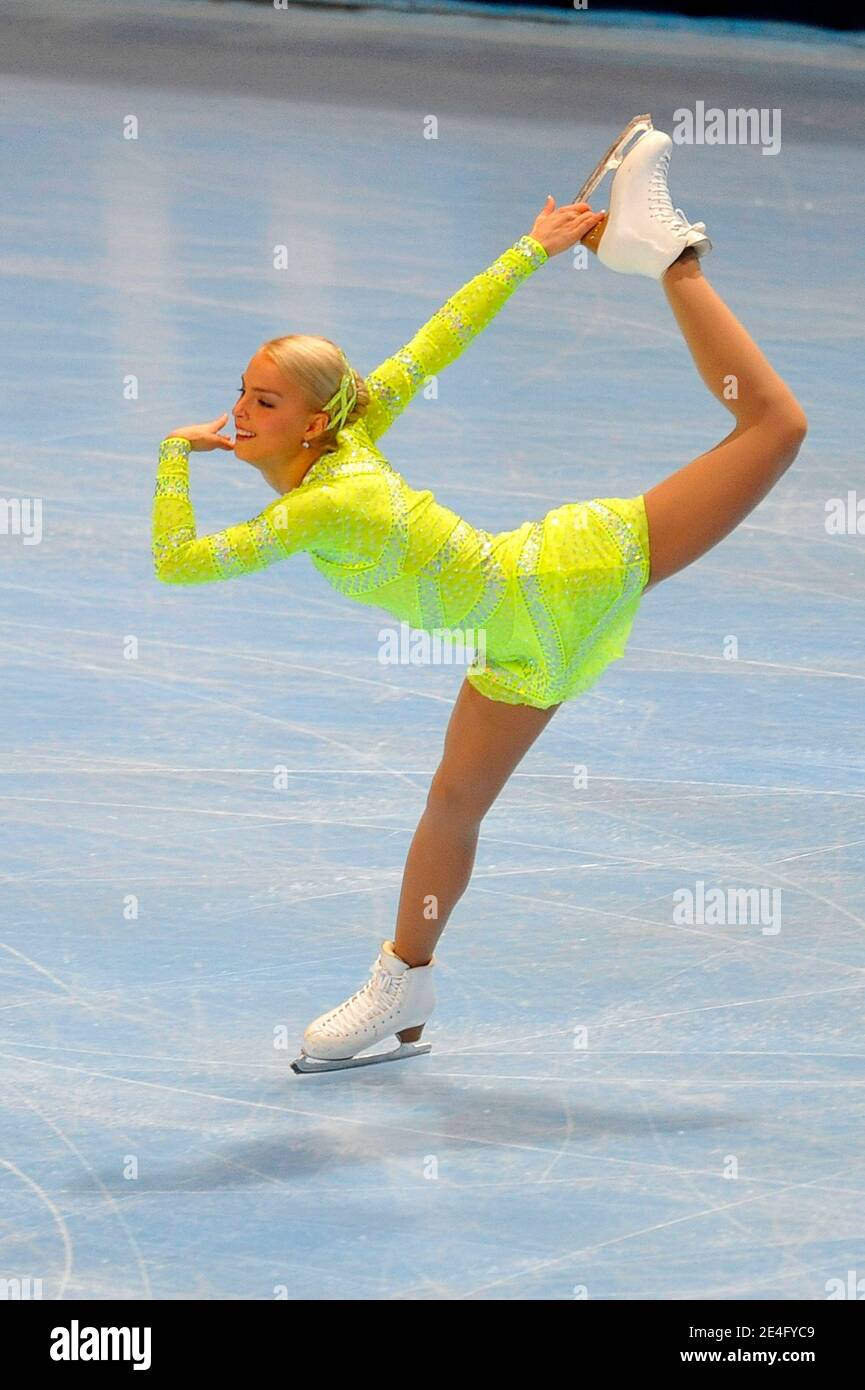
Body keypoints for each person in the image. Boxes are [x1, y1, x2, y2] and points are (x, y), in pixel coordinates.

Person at [153, 119, 807, 1073]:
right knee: (452, 802)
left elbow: (179, 563)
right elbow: (440, 337)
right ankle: (402, 983)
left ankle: (673, 257)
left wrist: (175, 458)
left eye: (262, 401)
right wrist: (527, 251)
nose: (238, 414)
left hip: (563, 573)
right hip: (519, 651)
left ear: (313, 423)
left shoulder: (323, 506)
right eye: (240, 395)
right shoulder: (347, 441)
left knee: (774, 425)